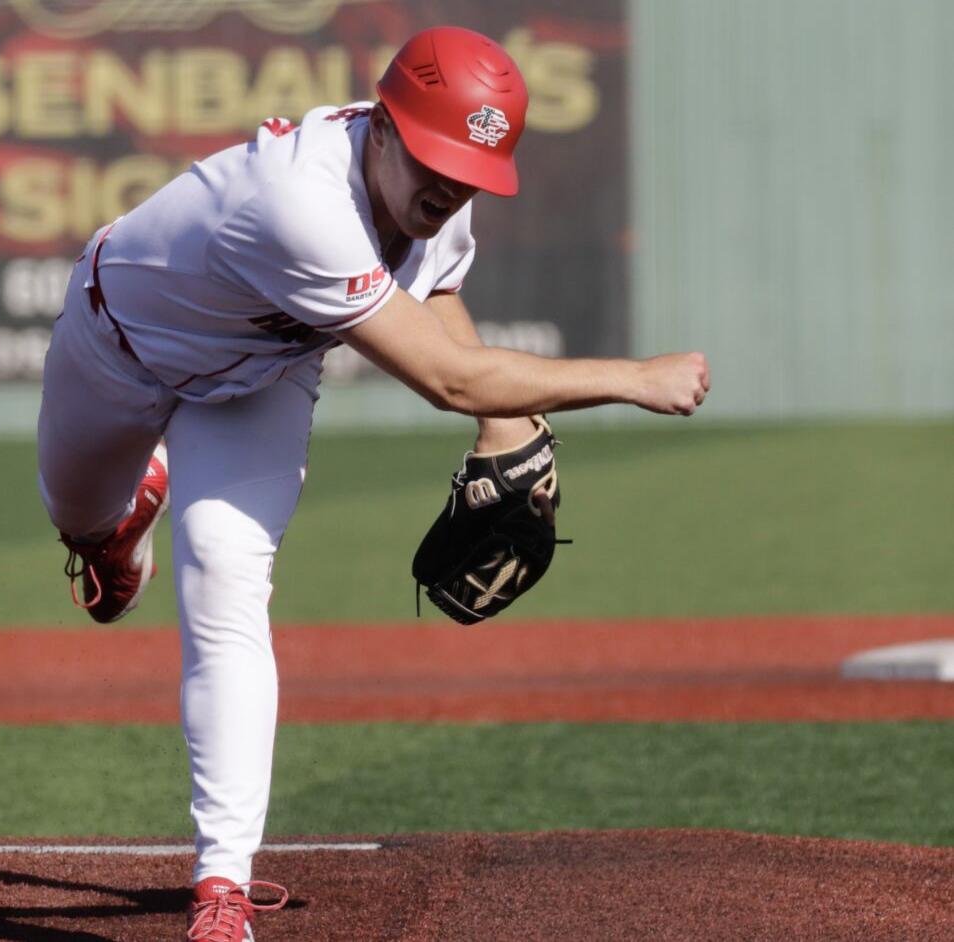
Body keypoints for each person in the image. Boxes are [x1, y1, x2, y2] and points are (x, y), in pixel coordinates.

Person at [35, 25, 708, 942]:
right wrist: (631, 378)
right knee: (74, 514)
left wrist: (502, 426)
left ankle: (220, 888)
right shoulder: (295, 201)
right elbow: (449, 377)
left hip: (261, 379)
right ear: (381, 126)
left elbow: (437, 298)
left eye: (471, 168)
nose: (449, 185)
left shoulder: (442, 193)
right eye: (434, 156)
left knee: (223, 570)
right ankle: (112, 529)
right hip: (117, 347)